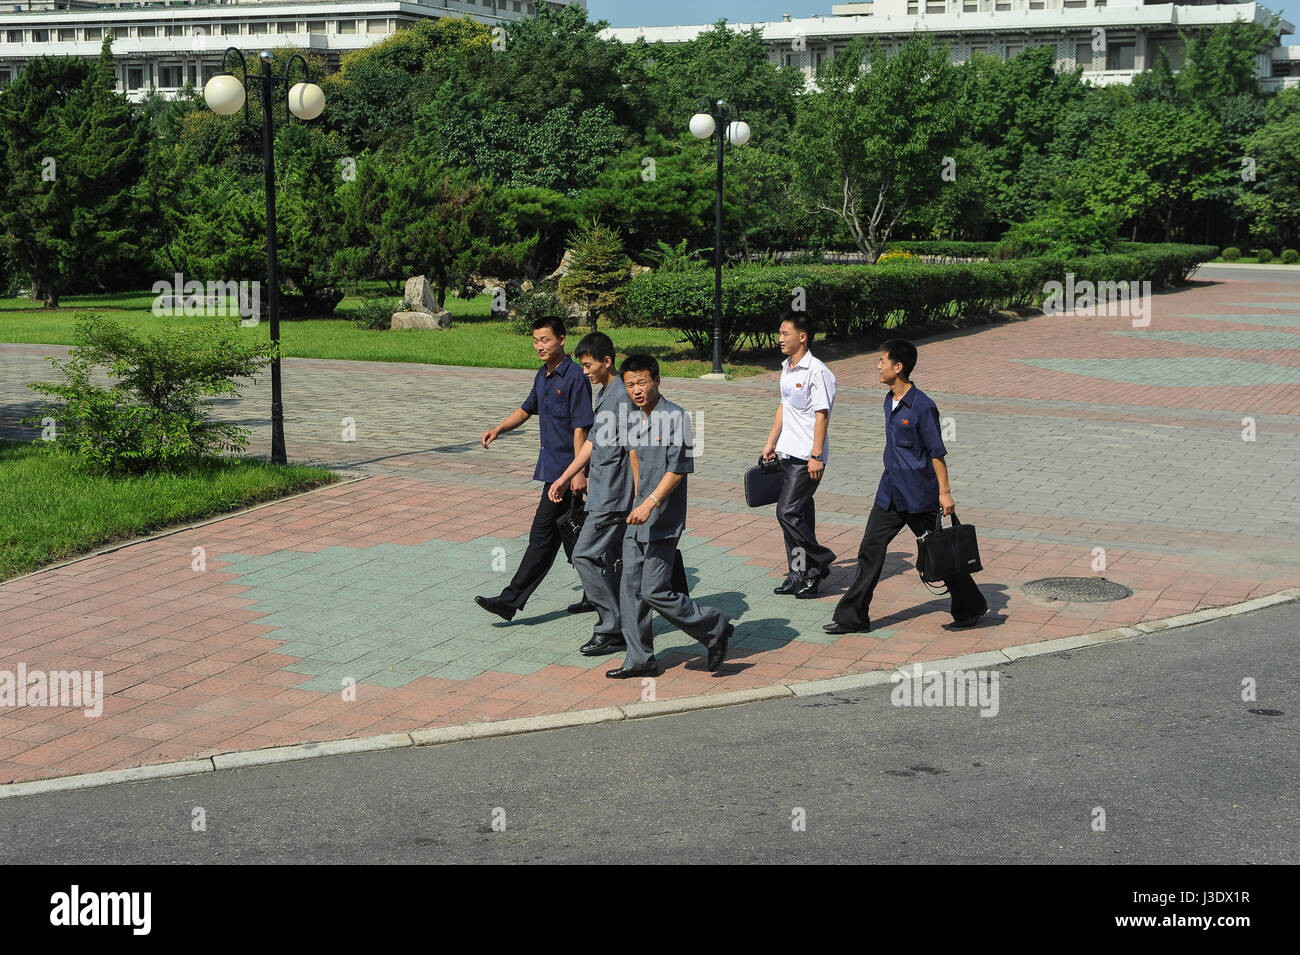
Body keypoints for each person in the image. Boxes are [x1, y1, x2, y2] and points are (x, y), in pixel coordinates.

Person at [823, 339, 988, 635]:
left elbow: (936, 452)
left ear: (898, 367)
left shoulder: (923, 406)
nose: (877, 366)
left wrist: (945, 492)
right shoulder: (889, 399)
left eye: (882, 361)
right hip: (889, 493)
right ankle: (852, 618)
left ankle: (971, 605)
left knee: (939, 555)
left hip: (919, 497)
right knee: (869, 551)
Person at [608, 355, 733, 679]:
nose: (636, 390)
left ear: (657, 381)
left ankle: (713, 624)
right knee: (630, 590)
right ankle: (640, 659)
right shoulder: (631, 418)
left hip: (663, 519)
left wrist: (649, 503)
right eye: (630, 384)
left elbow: (678, 470)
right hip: (638, 516)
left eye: (642, 382)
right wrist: (638, 499)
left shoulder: (676, 417)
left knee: (653, 590)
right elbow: (634, 458)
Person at [475, 316, 593, 622]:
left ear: (562, 340)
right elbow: (527, 408)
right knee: (568, 536)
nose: (539, 346)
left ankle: (509, 601)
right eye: (536, 340)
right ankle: (597, 590)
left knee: (543, 536)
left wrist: (579, 472)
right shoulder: (543, 375)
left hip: (567, 472)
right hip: (552, 469)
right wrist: (498, 429)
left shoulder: (575, 377)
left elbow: (582, 427)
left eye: (545, 340)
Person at [548, 332, 635, 656]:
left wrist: (640, 496)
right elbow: (593, 443)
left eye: (588, 365)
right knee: (612, 560)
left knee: (584, 555)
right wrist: (567, 476)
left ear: (607, 361)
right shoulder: (608, 393)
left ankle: (611, 627)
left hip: (612, 496)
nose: (584, 372)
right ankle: (624, 625)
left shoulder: (620, 397)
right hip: (605, 491)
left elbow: (634, 449)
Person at [760, 310, 837, 599]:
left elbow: (822, 415)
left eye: (785, 333)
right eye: (779, 333)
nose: (780, 338)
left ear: (802, 337)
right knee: (798, 515)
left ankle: (819, 562)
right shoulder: (788, 367)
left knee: (787, 512)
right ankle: (798, 576)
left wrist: (816, 455)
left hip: (807, 456)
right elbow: (784, 407)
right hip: (788, 452)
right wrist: (771, 442)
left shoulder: (818, 372)